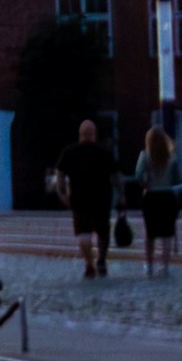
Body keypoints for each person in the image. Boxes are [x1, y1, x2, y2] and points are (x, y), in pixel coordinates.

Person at [68, 108, 116, 278]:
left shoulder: (70, 151)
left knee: (83, 232)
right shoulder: (104, 152)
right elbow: (116, 175)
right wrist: (122, 196)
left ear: (80, 134)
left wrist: (61, 192)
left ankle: (89, 263)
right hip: (102, 197)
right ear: (94, 134)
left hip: (79, 198)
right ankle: (101, 259)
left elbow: (59, 174)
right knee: (103, 231)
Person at [138, 115, 182, 277]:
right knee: (167, 232)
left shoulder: (145, 156)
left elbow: (138, 175)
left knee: (150, 232)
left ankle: (149, 264)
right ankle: (165, 265)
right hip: (167, 196)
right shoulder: (172, 157)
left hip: (151, 197)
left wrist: (146, 182)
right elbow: (178, 178)